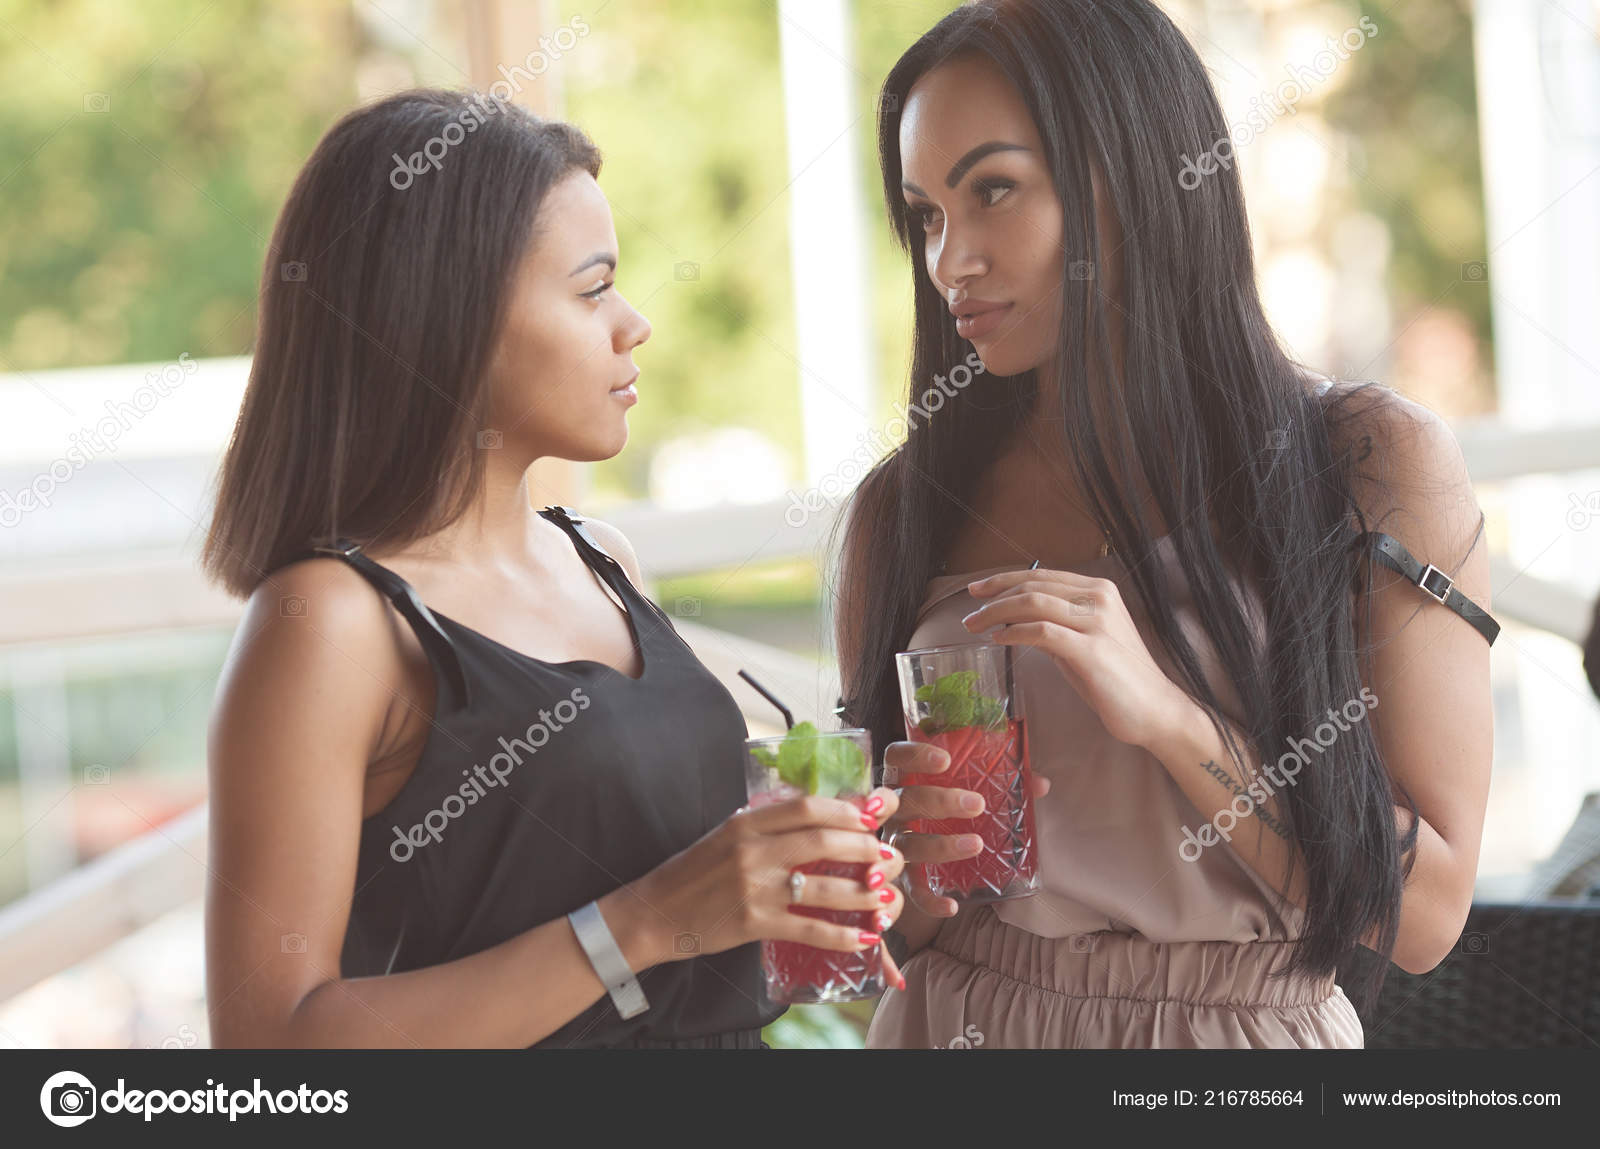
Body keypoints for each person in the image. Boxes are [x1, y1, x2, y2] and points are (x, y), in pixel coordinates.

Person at [835, 0, 1499, 1049]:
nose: (948, 260)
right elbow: (887, 938)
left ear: (1130, 180)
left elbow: (1422, 914)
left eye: (994, 191)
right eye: (924, 215)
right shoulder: (904, 509)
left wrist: (1170, 719)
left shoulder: (1365, 462)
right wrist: (907, 864)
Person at [202, 88, 907, 1049]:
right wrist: (646, 925)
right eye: (592, 289)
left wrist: (841, 858)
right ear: (444, 315)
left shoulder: (603, 559)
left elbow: (672, 878)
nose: (635, 323)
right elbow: (269, 1047)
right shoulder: (330, 620)